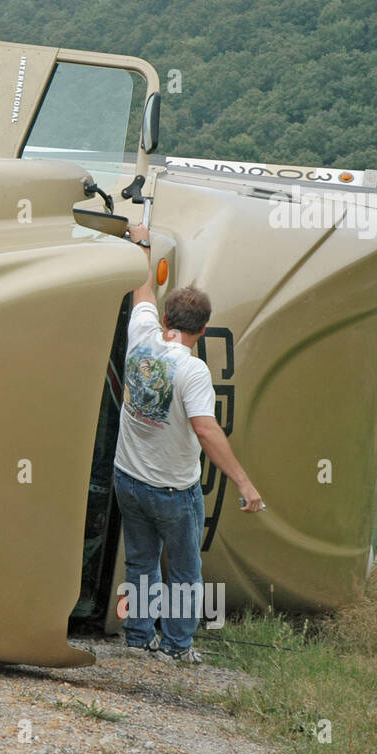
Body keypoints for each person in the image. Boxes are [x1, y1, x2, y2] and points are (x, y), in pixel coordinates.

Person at [114, 223, 263, 663]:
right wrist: (244, 483)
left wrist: (140, 242)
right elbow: (205, 429)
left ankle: (139, 641)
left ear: (166, 320)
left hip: (128, 478)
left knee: (140, 563)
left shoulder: (141, 334)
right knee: (183, 573)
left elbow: (141, 290)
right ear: (202, 330)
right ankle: (177, 648)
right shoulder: (193, 370)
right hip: (172, 491)